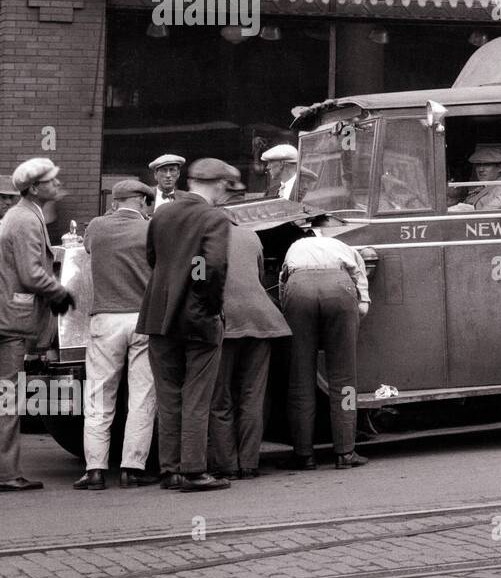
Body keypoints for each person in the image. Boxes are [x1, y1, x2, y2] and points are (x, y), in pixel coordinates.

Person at [136, 158, 239, 493]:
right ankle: (194, 470)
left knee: (169, 397)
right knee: (196, 396)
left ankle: (171, 470)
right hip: (197, 319)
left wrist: (179, 279)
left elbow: (154, 259)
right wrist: (206, 306)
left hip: (158, 316)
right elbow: (211, 267)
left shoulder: (163, 213)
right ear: (220, 184)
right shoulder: (213, 217)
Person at [75, 180, 158, 491]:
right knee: (142, 395)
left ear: (115, 202)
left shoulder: (96, 227)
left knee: (98, 395)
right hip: (142, 318)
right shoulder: (151, 229)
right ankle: (132, 468)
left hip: (105, 319)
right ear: (143, 202)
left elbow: (84, 248)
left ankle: (95, 470)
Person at [0, 159, 74, 493]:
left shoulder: (20, 216)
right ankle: (6, 475)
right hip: (11, 322)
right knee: (7, 399)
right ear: (33, 188)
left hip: (8, 318)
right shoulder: (26, 219)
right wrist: (60, 292)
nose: (57, 185)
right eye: (51, 181)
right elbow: (31, 273)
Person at [280, 228, 371, 470]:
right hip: (339, 288)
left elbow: (283, 284)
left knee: (300, 379)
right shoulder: (344, 247)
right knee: (345, 380)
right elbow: (360, 281)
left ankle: (304, 455)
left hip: (299, 289)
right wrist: (356, 313)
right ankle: (345, 452)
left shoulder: (296, 245)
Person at [208, 221, 290, 480]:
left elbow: (198, 278)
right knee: (253, 395)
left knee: (220, 398)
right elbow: (258, 274)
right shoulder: (251, 236)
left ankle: (227, 466)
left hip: (224, 320)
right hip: (260, 319)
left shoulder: (201, 239)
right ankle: (249, 464)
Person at [456, 145, 501, 211]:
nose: (481, 169)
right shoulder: (483, 187)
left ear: (499, 167)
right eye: (478, 165)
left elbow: (486, 216)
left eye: (487, 165)